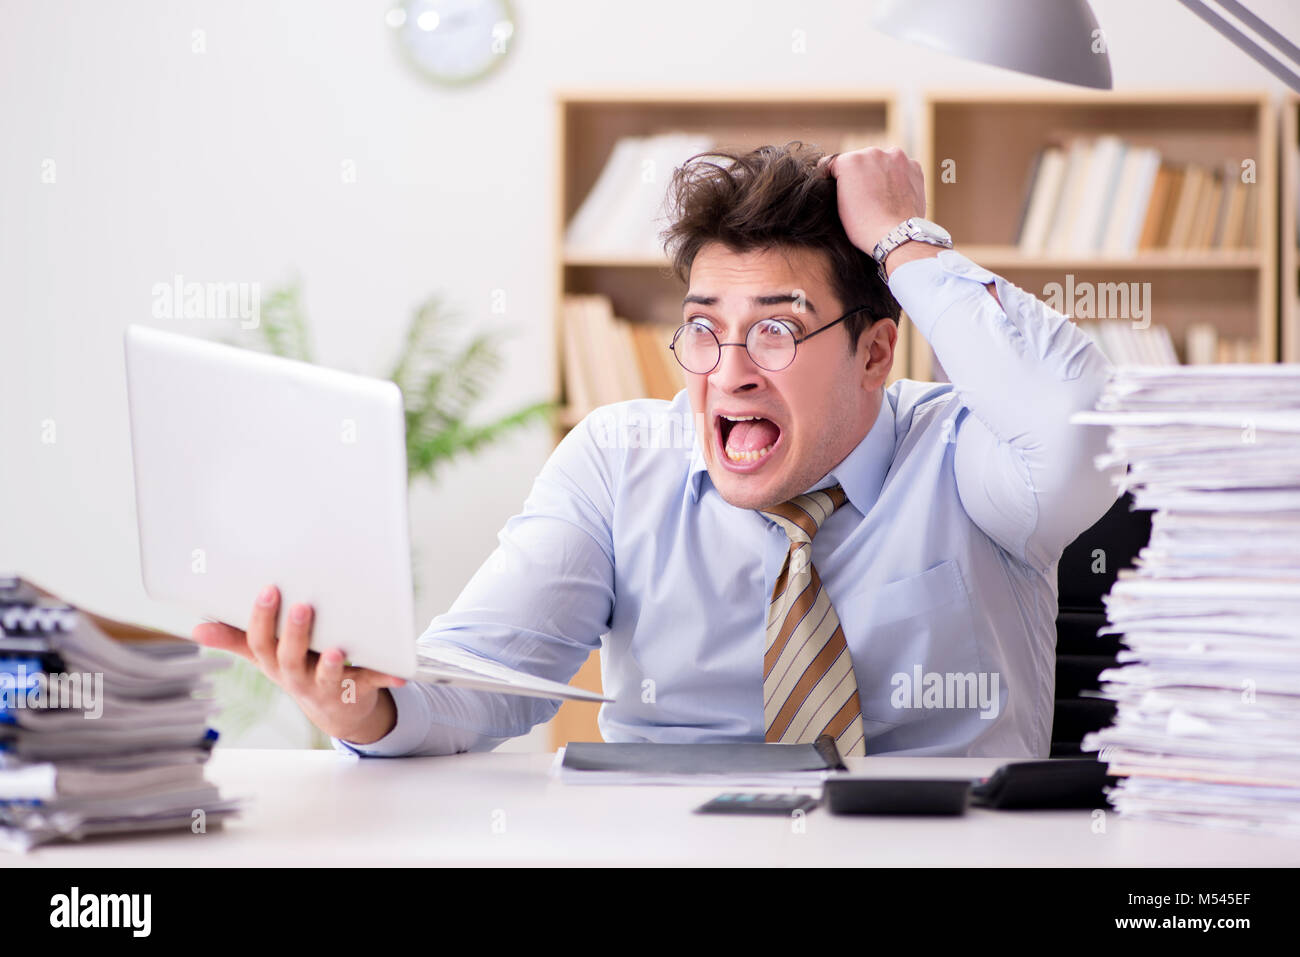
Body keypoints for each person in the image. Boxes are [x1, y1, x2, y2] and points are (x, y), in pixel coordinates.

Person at [194, 143, 1121, 758]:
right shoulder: (617, 461)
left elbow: (1082, 423)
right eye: (704, 331)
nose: (729, 373)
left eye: (775, 332)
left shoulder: (971, 457)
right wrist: (365, 706)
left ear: (875, 351)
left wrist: (901, 238)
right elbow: (479, 677)